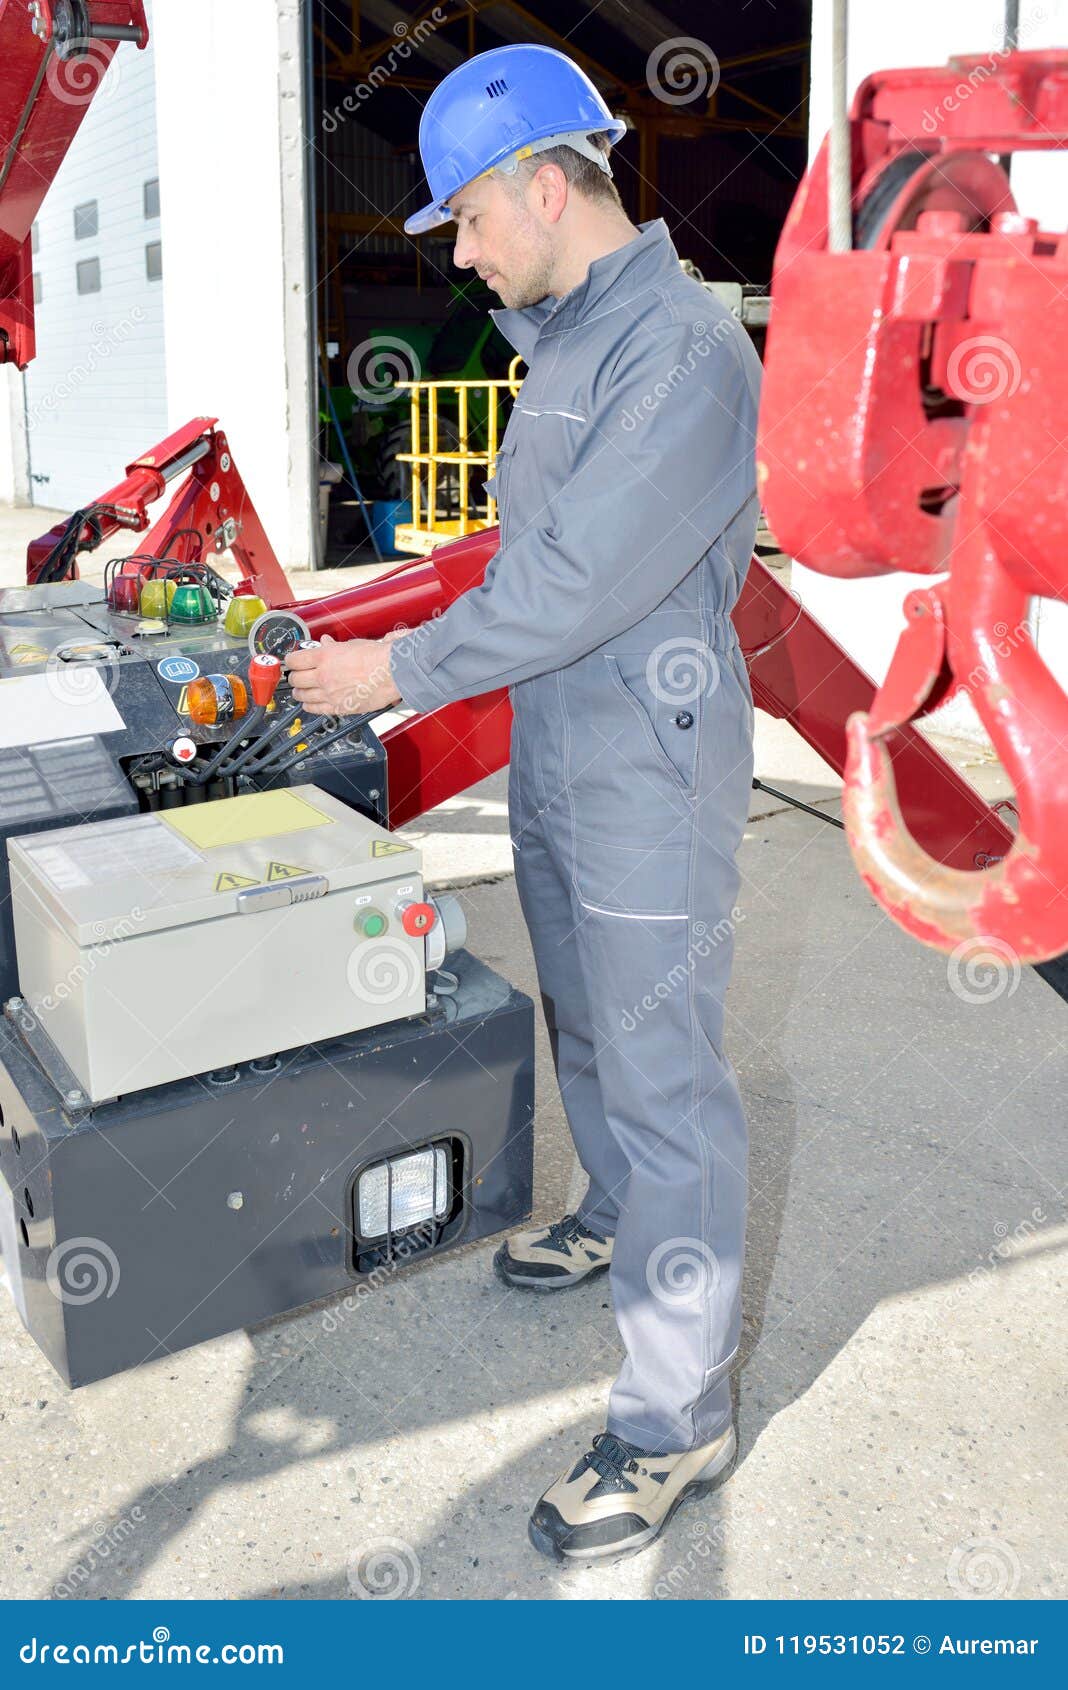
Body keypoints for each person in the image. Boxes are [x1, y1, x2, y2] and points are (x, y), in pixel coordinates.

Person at [286, 41, 762, 1566]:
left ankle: (678, 1419)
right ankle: (619, 1206)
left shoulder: (683, 355)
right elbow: (514, 559)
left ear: (546, 186)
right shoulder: (562, 340)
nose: (465, 250)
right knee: (587, 1014)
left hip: (649, 759)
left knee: (665, 1064)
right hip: (562, 742)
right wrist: (384, 624)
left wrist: (398, 675)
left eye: (473, 220)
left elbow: (574, 577)